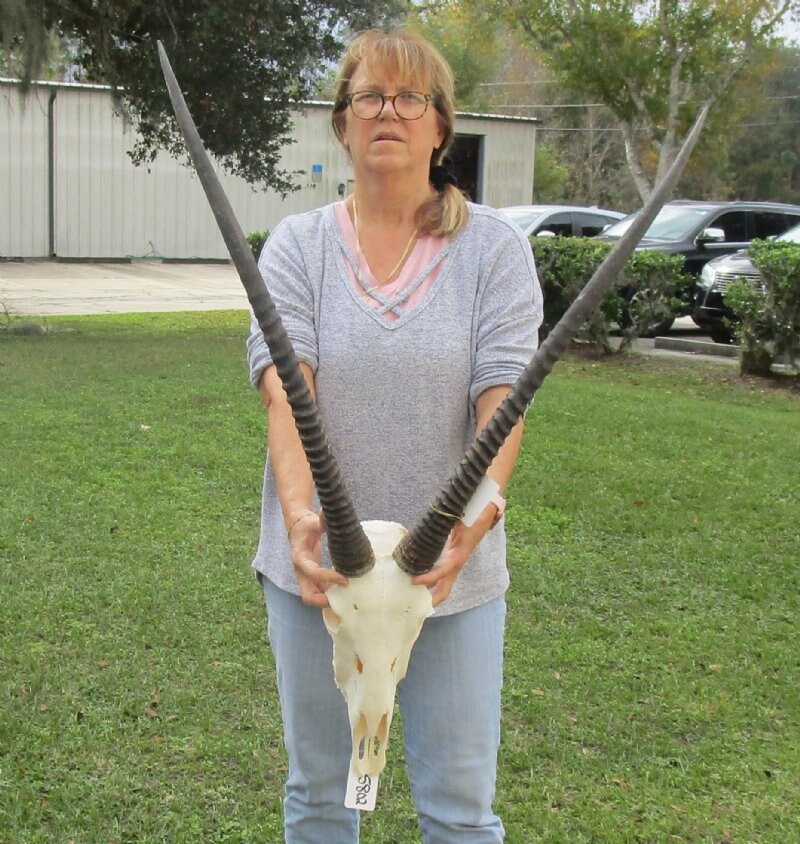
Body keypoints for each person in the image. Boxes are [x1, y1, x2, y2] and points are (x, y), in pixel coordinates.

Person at [246, 27, 543, 843]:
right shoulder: (297, 250)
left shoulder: (495, 252)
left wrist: (469, 530)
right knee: (320, 796)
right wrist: (306, 523)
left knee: (457, 809)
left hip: (450, 580)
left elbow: (503, 408)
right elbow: (285, 396)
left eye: (410, 98)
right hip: (318, 579)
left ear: (441, 126)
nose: (389, 112)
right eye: (369, 96)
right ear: (341, 122)